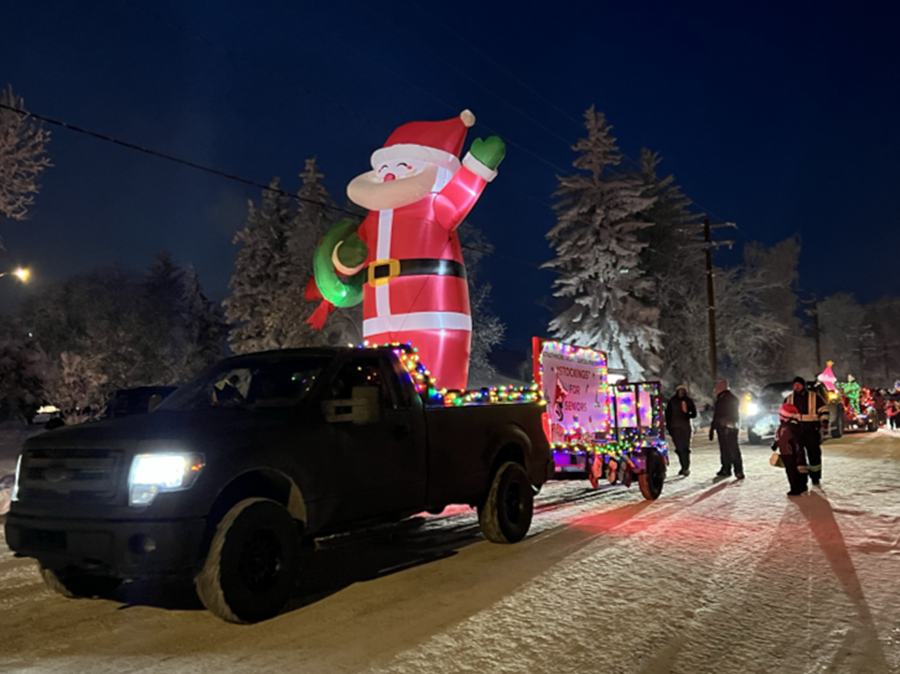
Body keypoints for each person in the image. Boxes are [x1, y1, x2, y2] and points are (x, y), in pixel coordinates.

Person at [784, 376, 828, 486]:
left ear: (803, 385)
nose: (797, 387)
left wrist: (825, 423)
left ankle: (815, 476)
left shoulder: (815, 397)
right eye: (795, 385)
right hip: (796, 431)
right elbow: (783, 414)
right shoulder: (789, 399)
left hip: (811, 430)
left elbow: (823, 410)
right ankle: (802, 479)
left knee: (814, 453)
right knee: (799, 455)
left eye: (799, 384)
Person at [710, 379, 743, 479]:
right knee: (725, 449)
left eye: (717, 388)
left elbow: (730, 414)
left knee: (732, 448)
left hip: (728, 427)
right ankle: (726, 468)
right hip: (723, 427)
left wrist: (727, 425)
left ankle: (737, 470)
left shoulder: (728, 399)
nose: (715, 390)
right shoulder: (724, 398)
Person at [773, 403, 808, 496]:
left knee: (794, 471)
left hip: (791, 452)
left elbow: (795, 440)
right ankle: (797, 486)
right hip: (787, 451)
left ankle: (797, 487)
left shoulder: (792, 426)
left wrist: (796, 451)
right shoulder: (785, 425)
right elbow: (782, 438)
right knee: (792, 470)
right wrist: (776, 444)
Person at [665, 384, 697, 477]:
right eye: (680, 391)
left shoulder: (688, 401)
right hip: (675, 428)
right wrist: (669, 427)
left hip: (685, 428)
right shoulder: (672, 401)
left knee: (685, 448)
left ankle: (685, 467)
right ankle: (683, 466)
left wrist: (687, 414)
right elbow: (668, 416)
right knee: (679, 449)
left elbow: (694, 413)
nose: (682, 392)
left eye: (683, 391)